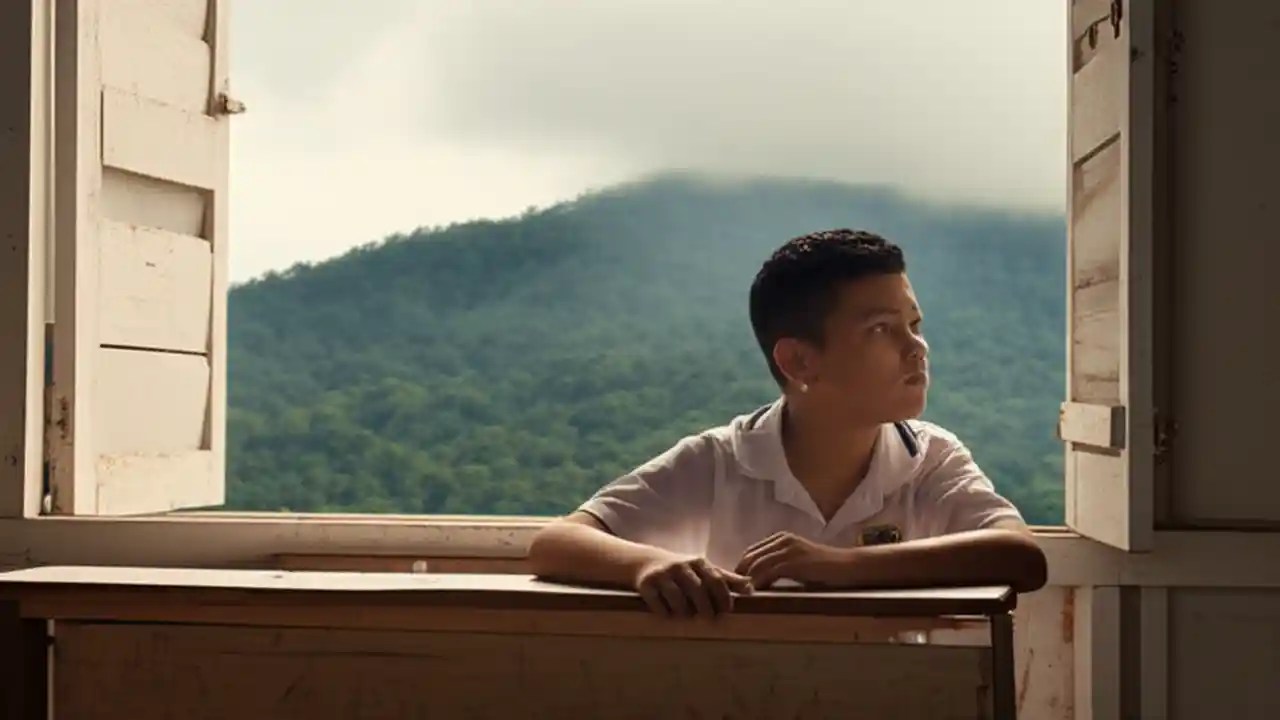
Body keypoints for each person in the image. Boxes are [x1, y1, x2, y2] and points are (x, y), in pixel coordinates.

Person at [528, 228, 1047, 618]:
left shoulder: (929, 457)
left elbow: (1021, 557)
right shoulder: (721, 459)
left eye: (913, 324)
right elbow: (557, 543)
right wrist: (646, 566)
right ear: (799, 362)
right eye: (882, 329)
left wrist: (838, 567)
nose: (916, 348)